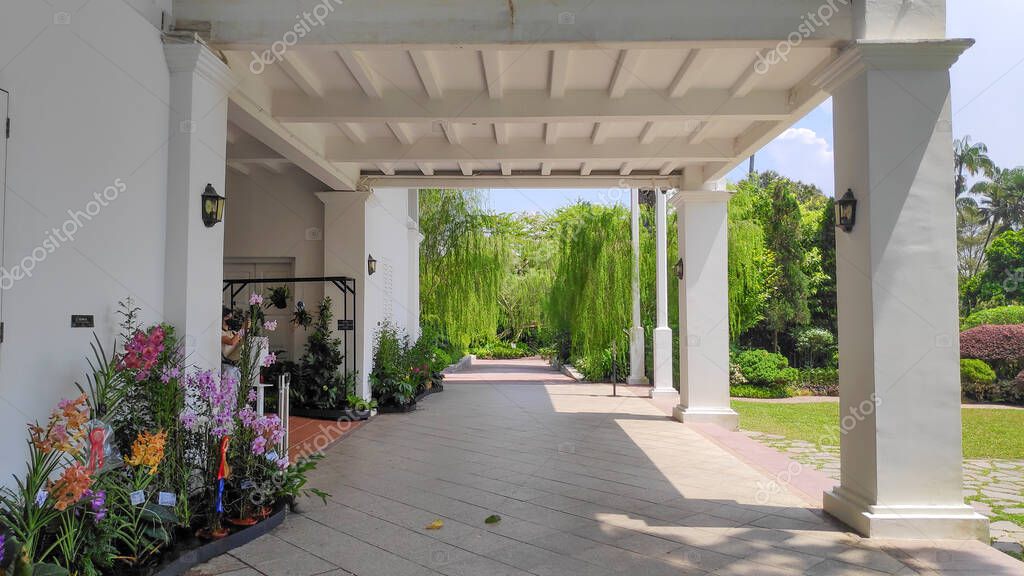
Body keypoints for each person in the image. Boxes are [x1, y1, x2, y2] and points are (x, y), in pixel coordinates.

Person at [221, 307, 246, 383]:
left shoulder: (234, 333)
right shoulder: (220, 332)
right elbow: (231, 342)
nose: (230, 319)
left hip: (236, 366)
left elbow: (243, 342)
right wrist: (242, 329)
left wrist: (246, 328)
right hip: (227, 366)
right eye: (228, 317)